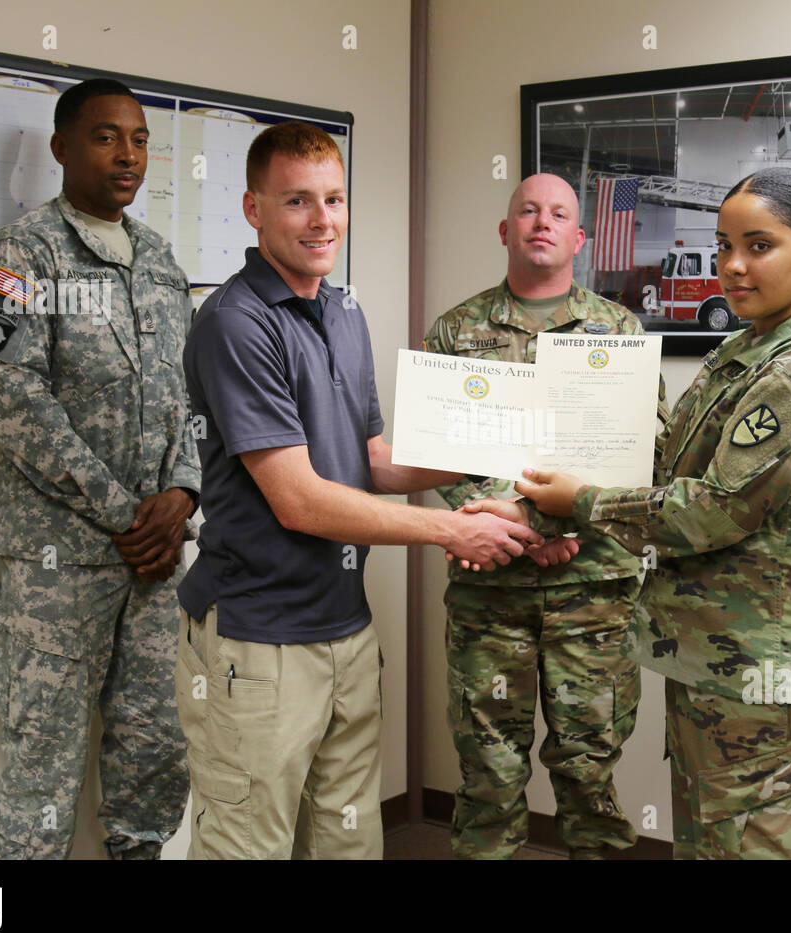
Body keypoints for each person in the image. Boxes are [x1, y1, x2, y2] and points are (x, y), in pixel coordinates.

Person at [479, 168, 791, 859]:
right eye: (724, 245)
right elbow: (662, 459)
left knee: (765, 843)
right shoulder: (748, 348)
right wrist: (533, 503)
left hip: (770, 672)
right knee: (711, 842)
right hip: (720, 661)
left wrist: (578, 501)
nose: (732, 265)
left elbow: (714, 512)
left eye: (759, 246)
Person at [176, 122, 543, 860]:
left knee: (349, 839)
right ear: (253, 209)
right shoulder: (235, 324)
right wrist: (451, 531)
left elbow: (371, 458)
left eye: (335, 199)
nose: (322, 221)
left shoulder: (342, 310)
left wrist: (496, 452)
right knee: (249, 845)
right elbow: (300, 500)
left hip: (344, 626)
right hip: (259, 636)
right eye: (297, 202)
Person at [0, 78, 199, 859]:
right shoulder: (17, 256)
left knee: (154, 758)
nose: (127, 154)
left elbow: (184, 395)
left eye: (137, 138)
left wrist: (183, 492)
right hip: (58, 569)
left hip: (154, 565)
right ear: (63, 148)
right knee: (42, 778)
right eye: (105, 137)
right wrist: (127, 510)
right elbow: (9, 397)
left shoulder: (162, 263)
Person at [424, 173, 667, 860]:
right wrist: (518, 530)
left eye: (559, 213)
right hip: (489, 589)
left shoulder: (617, 331)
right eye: (527, 210)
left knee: (589, 773)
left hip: (590, 590)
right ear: (506, 231)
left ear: (579, 238)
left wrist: (550, 525)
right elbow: (434, 448)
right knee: (488, 776)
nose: (542, 222)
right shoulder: (455, 330)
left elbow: (642, 448)